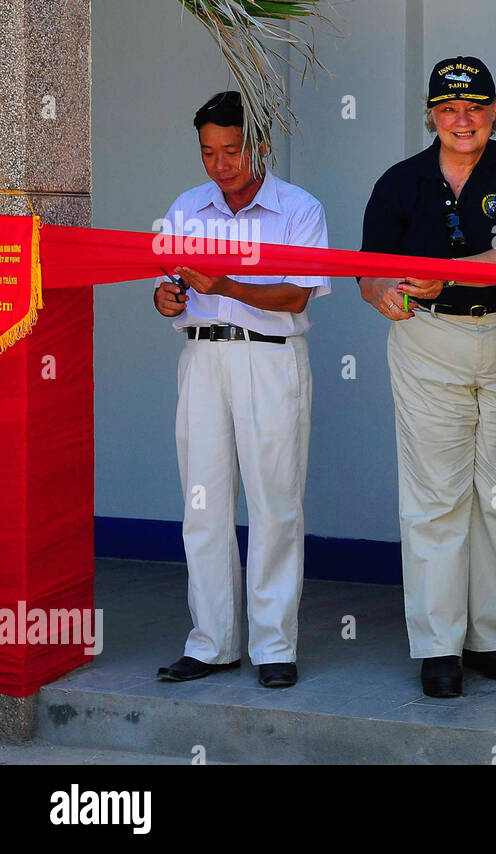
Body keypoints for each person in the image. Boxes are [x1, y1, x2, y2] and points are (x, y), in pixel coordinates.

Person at [360, 56, 496, 698]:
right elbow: (369, 268)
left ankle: (490, 638)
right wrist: (382, 291)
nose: (462, 120)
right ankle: (438, 645)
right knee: (435, 497)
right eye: (448, 108)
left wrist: (451, 273)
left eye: (475, 107)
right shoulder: (401, 180)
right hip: (428, 340)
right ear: (432, 115)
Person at [154, 91, 331, 689]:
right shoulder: (186, 206)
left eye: (231, 150)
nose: (220, 164)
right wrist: (166, 298)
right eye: (208, 152)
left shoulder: (299, 208)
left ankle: (274, 645)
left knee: (275, 504)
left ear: (259, 145)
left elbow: (297, 295)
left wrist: (226, 284)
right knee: (202, 503)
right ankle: (211, 642)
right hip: (201, 357)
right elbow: (169, 287)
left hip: (270, 361)